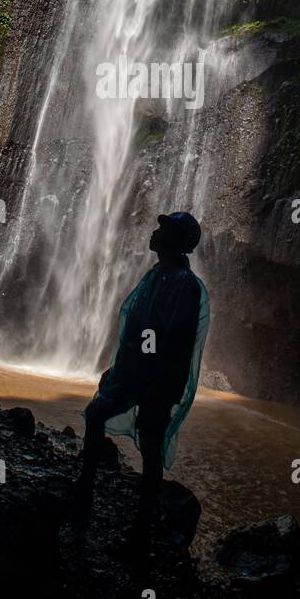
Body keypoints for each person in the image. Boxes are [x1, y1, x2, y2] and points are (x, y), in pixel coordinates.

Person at [71, 212, 210, 547]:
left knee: (148, 447)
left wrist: (152, 381)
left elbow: (172, 339)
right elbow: (139, 329)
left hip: (156, 380)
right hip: (134, 373)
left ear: (178, 240)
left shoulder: (184, 285)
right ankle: (85, 498)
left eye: (162, 230)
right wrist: (119, 369)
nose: (154, 233)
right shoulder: (158, 274)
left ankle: (139, 530)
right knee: (96, 416)